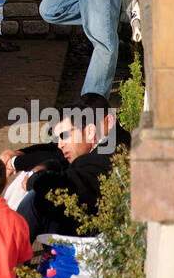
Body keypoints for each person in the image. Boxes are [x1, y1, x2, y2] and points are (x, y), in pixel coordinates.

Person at [15, 95, 120, 242]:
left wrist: (36, 179)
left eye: (65, 136)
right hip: (89, 229)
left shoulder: (105, 156)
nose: (60, 144)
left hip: (92, 243)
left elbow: (72, 183)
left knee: (37, 199)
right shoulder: (102, 146)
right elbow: (58, 158)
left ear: (90, 131)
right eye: (58, 139)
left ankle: (9, 255)